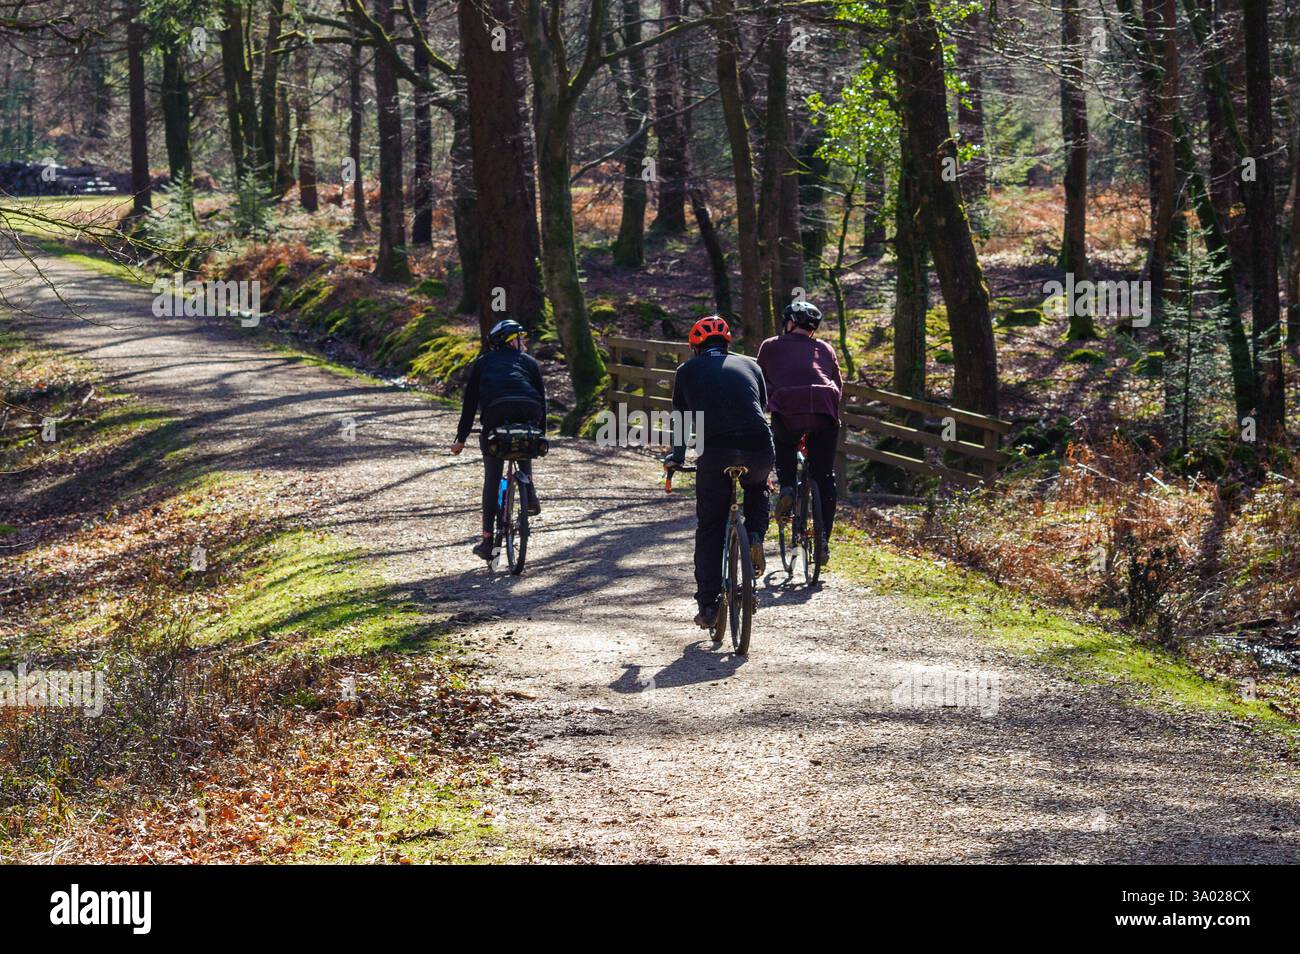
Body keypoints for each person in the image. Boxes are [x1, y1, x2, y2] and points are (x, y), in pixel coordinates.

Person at [667, 315, 774, 628]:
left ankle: (710, 606)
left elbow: (682, 423)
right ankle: (754, 535)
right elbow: (760, 406)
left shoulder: (686, 370)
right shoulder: (752, 365)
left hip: (715, 449)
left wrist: (676, 458)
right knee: (757, 487)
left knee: (711, 527)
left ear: (696, 347)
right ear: (728, 343)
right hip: (758, 443)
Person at [756, 300, 842, 566]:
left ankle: (788, 488)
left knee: (783, 443)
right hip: (825, 410)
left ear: (789, 323)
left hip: (787, 408)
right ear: (813, 328)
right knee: (825, 476)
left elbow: (758, 381)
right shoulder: (826, 348)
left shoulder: (770, 346)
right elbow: (838, 383)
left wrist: (767, 405)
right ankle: (823, 538)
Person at [451, 318, 545, 560]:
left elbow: (470, 403)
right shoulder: (530, 363)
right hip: (529, 412)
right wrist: (541, 433)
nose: (524, 343)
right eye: (521, 338)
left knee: (492, 479)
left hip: (496, 416)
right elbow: (542, 402)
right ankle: (530, 493)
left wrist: (461, 438)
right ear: (511, 340)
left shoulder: (483, 363)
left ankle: (487, 541)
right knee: (525, 440)